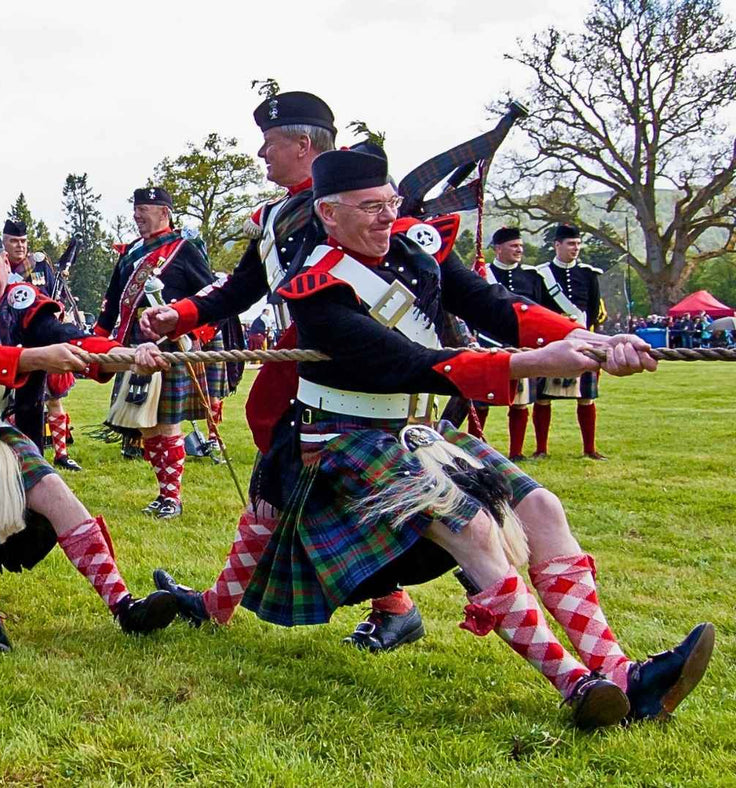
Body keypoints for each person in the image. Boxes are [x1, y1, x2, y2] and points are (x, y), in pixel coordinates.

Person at [149, 146, 712, 729]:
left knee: (542, 507)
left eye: (390, 202)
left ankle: (622, 676)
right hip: (341, 438)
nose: (387, 216)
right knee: (468, 524)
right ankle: (577, 685)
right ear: (329, 214)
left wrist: (585, 341)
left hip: (419, 429)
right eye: (369, 207)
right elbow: (411, 362)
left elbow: (499, 308)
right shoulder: (314, 290)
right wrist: (534, 363)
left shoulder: (419, 253)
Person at [140, 91, 425, 652]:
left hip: (346, 357)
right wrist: (184, 312)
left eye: (269, 144)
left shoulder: (348, 202)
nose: (261, 154)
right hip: (300, 353)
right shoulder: (277, 214)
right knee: (279, 472)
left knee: (317, 480)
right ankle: (221, 604)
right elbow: (246, 283)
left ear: (302, 145)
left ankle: (396, 598)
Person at [0, 227, 178, 653]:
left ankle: (124, 605)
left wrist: (114, 352)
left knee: (55, 491)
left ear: (5, 264)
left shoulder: (19, 297)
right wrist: (34, 358)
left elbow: (56, 331)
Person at [95, 186, 225, 520]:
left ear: (164, 211)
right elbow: (112, 304)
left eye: (145, 209)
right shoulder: (131, 253)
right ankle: (162, 491)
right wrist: (96, 343)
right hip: (135, 346)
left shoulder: (184, 249)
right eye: (136, 209)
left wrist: (194, 334)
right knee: (146, 425)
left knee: (168, 424)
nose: (137, 215)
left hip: (172, 348)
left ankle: (173, 497)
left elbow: (212, 297)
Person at [2, 218, 82, 471]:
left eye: (23, 241)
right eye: (14, 241)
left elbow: (51, 297)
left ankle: (61, 453)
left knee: (55, 398)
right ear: (4, 242)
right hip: (11, 340)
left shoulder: (39, 264)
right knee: (10, 402)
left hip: (41, 335)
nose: (20, 246)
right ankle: (21, 452)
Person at [530, 224, 606, 459]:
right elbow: (537, 308)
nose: (576, 248)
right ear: (557, 245)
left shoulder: (588, 274)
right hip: (552, 342)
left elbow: (594, 310)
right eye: (571, 244)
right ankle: (541, 449)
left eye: (578, 244)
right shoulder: (541, 275)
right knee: (542, 398)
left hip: (583, 341)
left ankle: (589, 449)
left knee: (586, 397)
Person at [480, 227, 545, 461]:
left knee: (520, 401)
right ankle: (477, 444)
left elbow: (539, 309)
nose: (519, 250)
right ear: (498, 249)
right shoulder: (481, 274)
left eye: (520, 246)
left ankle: (516, 452)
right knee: (481, 401)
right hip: (488, 342)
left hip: (520, 343)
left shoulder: (532, 277)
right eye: (513, 246)